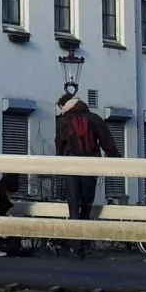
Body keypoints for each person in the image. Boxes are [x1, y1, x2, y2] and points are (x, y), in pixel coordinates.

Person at [56, 94, 119, 255]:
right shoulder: (94, 118)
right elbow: (107, 141)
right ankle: (85, 242)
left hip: (71, 165)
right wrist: (117, 160)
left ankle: (75, 243)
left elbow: (60, 145)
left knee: (73, 203)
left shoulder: (63, 121)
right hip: (91, 164)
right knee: (86, 203)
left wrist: (59, 164)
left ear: (64, 105)